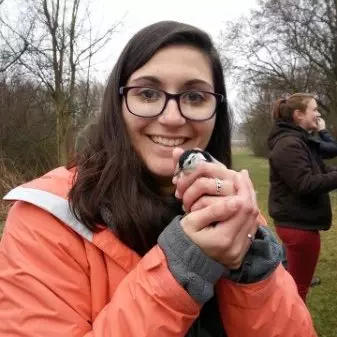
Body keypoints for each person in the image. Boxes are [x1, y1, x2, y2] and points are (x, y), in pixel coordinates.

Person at [0, 21, 317, 337]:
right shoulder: (46, 219)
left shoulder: (232, 210)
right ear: (119, 103)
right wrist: (184, 267)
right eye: (148, 93)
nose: (172, 118)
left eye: (194, 97)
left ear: (216, 111)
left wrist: (250, 265)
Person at [268, 94, 337, 303]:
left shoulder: (300, 141)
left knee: (294, 285)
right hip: (299, 228)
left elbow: (322, 169)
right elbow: (305, 184)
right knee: (298, 291)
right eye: (314, 109)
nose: (318, 114)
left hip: (300, 224)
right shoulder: (289, 144)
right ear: (298, 115)